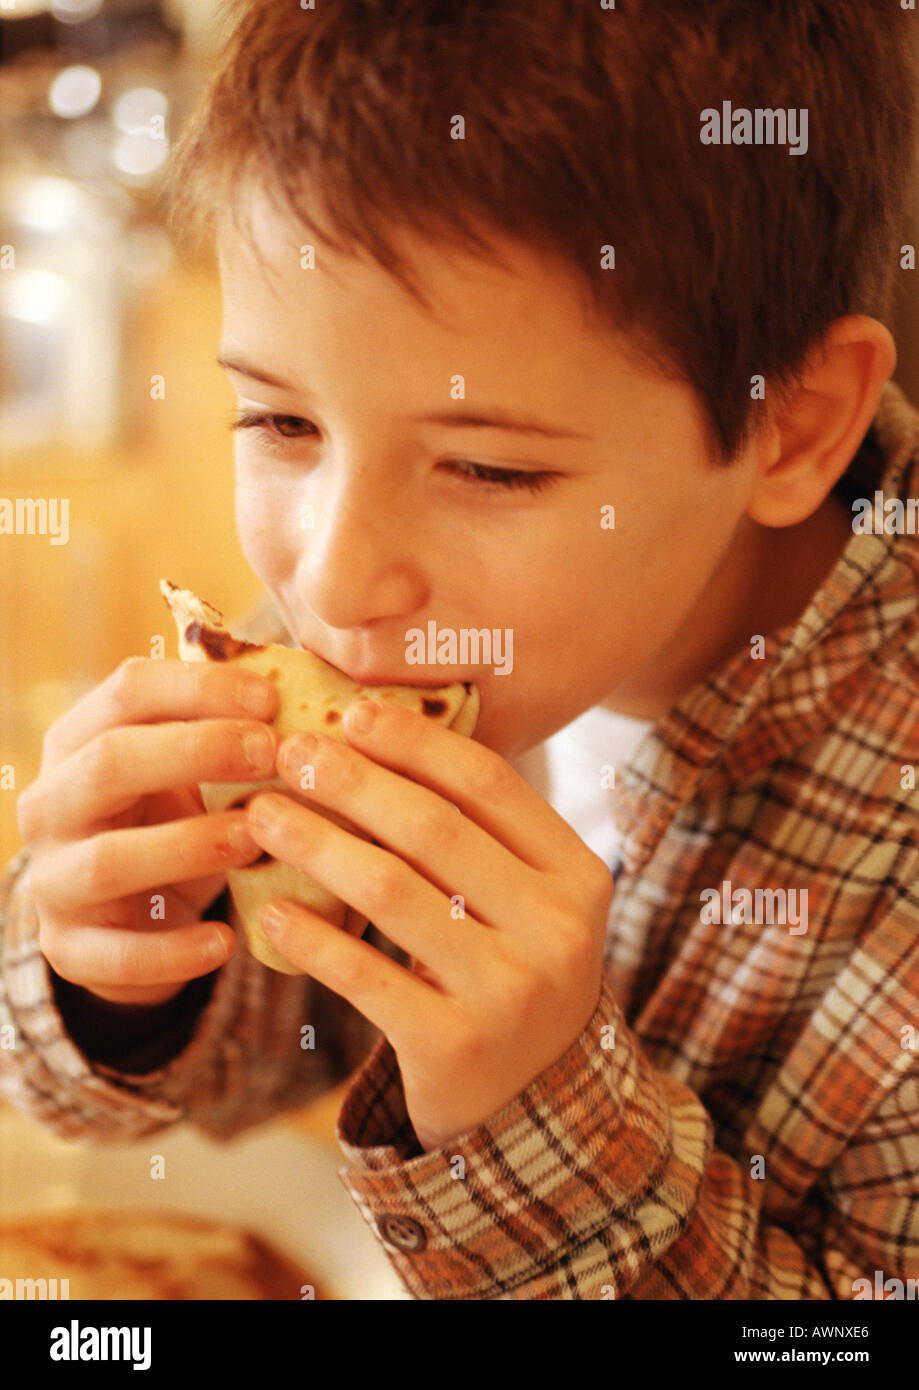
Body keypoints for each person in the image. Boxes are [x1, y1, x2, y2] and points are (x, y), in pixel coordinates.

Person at [2, 0, 919, 1300]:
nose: (329, 577)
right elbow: (295, 1024)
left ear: (790, 423)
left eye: (486, 466)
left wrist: (532, 1119)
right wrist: (135, 961)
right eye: (278, 421)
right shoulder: (418, 626)